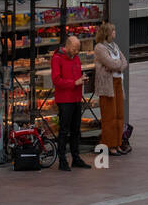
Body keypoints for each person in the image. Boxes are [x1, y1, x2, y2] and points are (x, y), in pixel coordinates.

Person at [51, 36, 88, 170]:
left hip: (76, 98)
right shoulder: (57, 58)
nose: (76, 52)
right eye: (74, 49)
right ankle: (62, 160)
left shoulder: (76, 58)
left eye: (78, 49)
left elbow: (76, 76)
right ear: (67, 46)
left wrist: (82, 79)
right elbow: (56, 80)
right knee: (64, 130)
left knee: (76, 130)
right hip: (65, 99)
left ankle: (76, 157)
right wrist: (74, 83)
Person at [93, 22, 129, 155]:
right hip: (108, 85)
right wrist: (115, 65)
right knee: (109, 116)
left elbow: (124, 61)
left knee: (119, 114)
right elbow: (110, 63)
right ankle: (110, 145)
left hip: (118, 82)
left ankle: (118, 143)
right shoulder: (100, 48)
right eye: (113, 31)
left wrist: (116, 65)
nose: (115, 33)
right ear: (107, 33)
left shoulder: (115, 46)